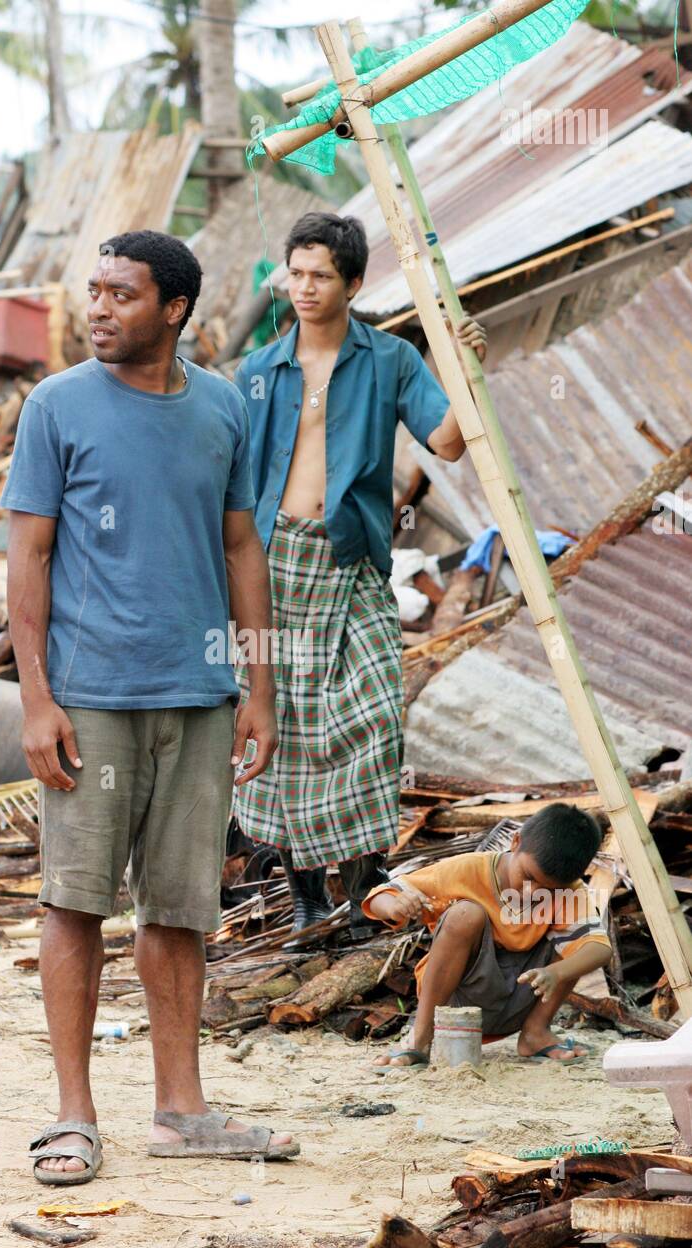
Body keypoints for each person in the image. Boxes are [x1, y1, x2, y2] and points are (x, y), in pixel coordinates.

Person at [2, 230, 298, 1184]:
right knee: (75, 902)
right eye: (92, 292)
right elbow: (30, 556)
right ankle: (73, 1117)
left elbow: (242, 547)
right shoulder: (56, 407)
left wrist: (260, 687)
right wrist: (36, 699)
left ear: (174, 311)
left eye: (120, 295)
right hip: (91, 700)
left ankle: (182, 1109)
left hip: (201, 699)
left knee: (179, 910)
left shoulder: (220, 408)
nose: (97, 309)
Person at [233, 211, 486, 944]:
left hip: (352, 563)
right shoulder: (258, 372)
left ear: (353, 282)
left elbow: (447, 442)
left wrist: (468, 373)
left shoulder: (390, 361)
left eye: (320, 276)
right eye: (296, 273)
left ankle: (363, 884)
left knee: (375, 718)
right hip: (273, 563)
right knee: (290, 731)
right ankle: (310, 896)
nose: (304, 288)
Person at [364, 803, 611, 1066]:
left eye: (549, 888)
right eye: (528, 876)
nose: (531, 891)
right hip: (455, 1003)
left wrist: (556, 973)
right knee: (465, 914)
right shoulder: (466, 870)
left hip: (520, 1002)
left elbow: (600, 947)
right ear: (516, 842)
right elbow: (382, 895)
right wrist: (394, 905)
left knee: (578, 943)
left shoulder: (570, 892)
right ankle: (421, 1037)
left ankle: (535, 1033)